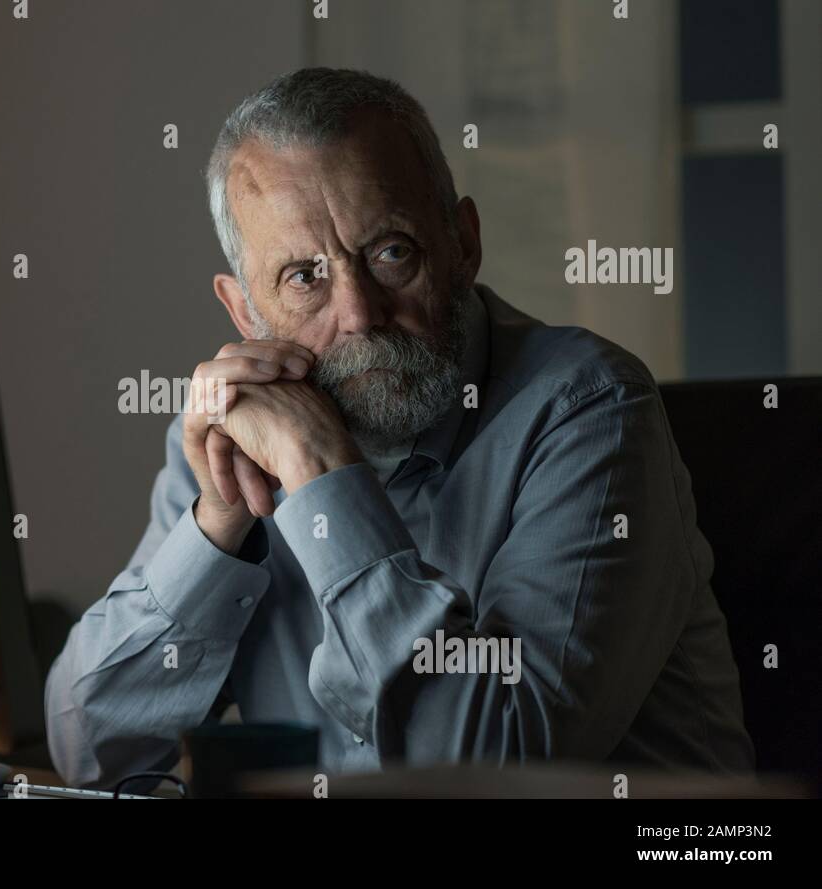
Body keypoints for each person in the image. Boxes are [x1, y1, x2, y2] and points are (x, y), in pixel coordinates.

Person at [45, 67, 754, 789]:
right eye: (303, 276)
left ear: (464, 243)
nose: (358, 313)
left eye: (391, 251)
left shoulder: (589, 409)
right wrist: (218, 523)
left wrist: (324, 481)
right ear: (242, 310)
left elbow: (495, 767)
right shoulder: (237, 435)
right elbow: (91, 752)